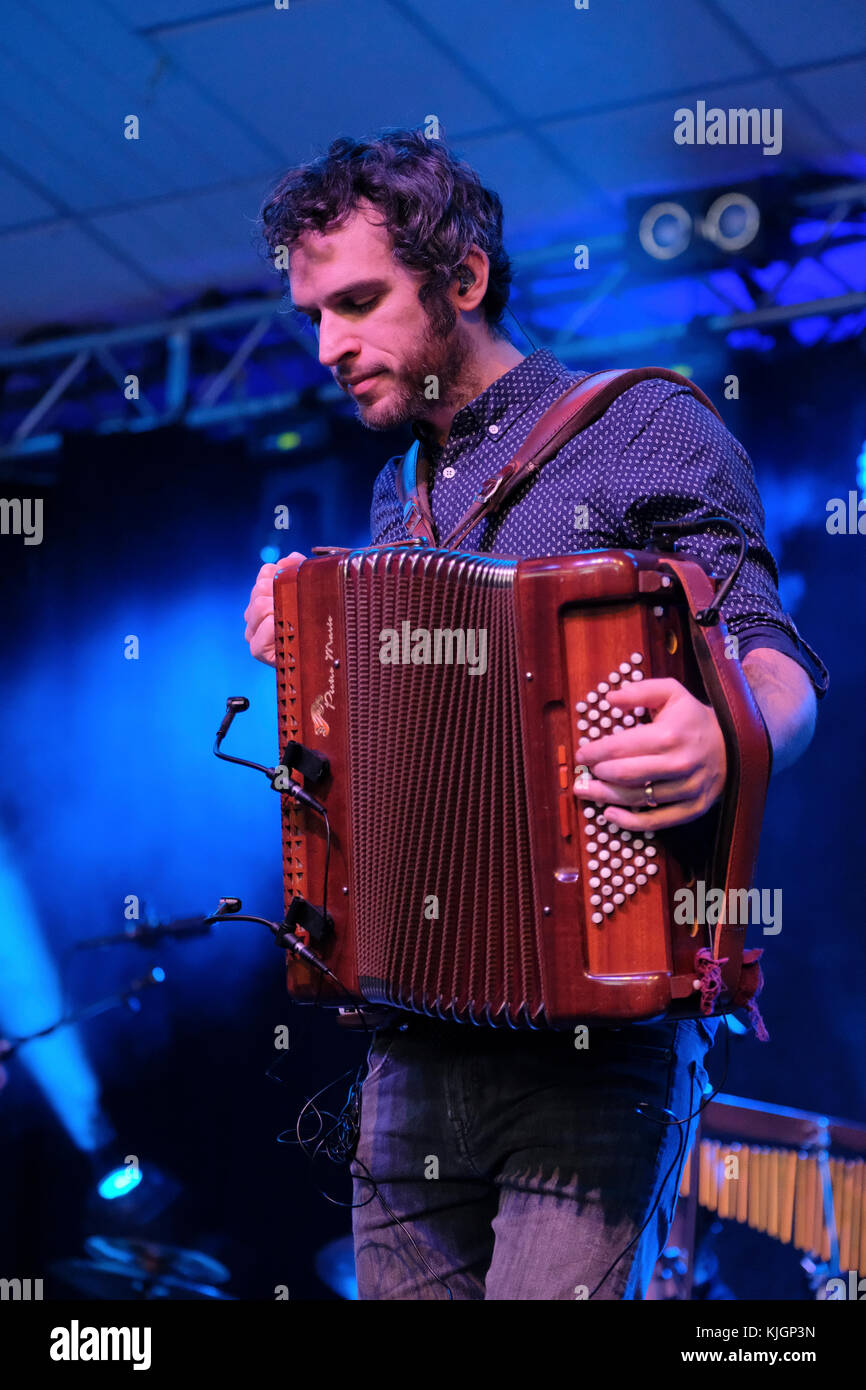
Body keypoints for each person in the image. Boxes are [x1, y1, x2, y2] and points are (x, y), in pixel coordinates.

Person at [244, 129, 828, 1300]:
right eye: (313, 314)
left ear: (461, 278)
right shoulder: (392, 496)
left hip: (594, 1037)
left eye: (357, 302)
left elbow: (770, 653)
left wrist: (727, 732)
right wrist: (307, 638)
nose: (329, 346)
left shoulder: (640, 425)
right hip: (413, 1038)